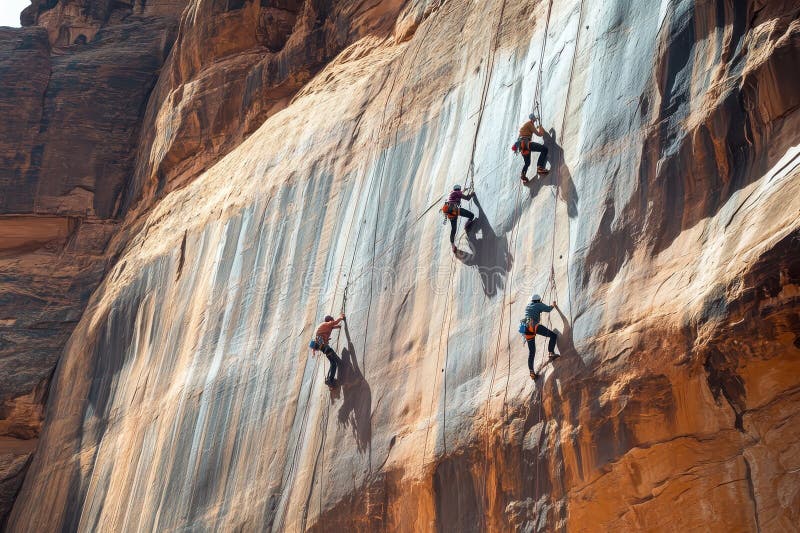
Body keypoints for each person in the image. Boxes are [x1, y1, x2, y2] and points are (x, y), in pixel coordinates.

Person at [522, 294, 559, 379]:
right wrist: (553, 305)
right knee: (553, 335)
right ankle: (551, 352)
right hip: (533, 325)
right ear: (538, 300)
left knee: (532, 352)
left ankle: (532, 372)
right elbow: (548, 309)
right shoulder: (539, 304)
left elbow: (533, 311)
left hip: (526, 328)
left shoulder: (528, 305)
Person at [310, 313, 346, 387]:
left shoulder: (326, 326)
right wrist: (341, 317)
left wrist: (338, 327)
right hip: (324, 347)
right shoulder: (327, 323)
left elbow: (333, 327)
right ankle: (330, 380)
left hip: (323, 347)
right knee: (333, 363)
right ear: (330, 320)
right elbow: (335, 322)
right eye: (332, 319)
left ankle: (329, 378)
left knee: (332, 356)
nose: (333, 320)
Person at [442, 184, 476, 253]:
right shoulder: (457, 193)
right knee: (471, 215)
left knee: (453, 229)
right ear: (459, 189)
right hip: (456, 210)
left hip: (450, 213)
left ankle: (452, 245)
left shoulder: (452, 193)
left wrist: (463, 191)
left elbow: (459, 194)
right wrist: (472, 194)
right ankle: (466, 225)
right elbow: (467, 198)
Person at [517, 113, 549, 182]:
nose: (535, 120)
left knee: (527, 163)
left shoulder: (526, 125)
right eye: (534, 118)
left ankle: (523, 175)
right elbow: (539, 134)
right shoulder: (529, 124)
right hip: (526, 143)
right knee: (544, 149)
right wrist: (540, 128)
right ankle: (540, 167)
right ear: (533, 119)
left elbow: (523, 134)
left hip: (522, 147)